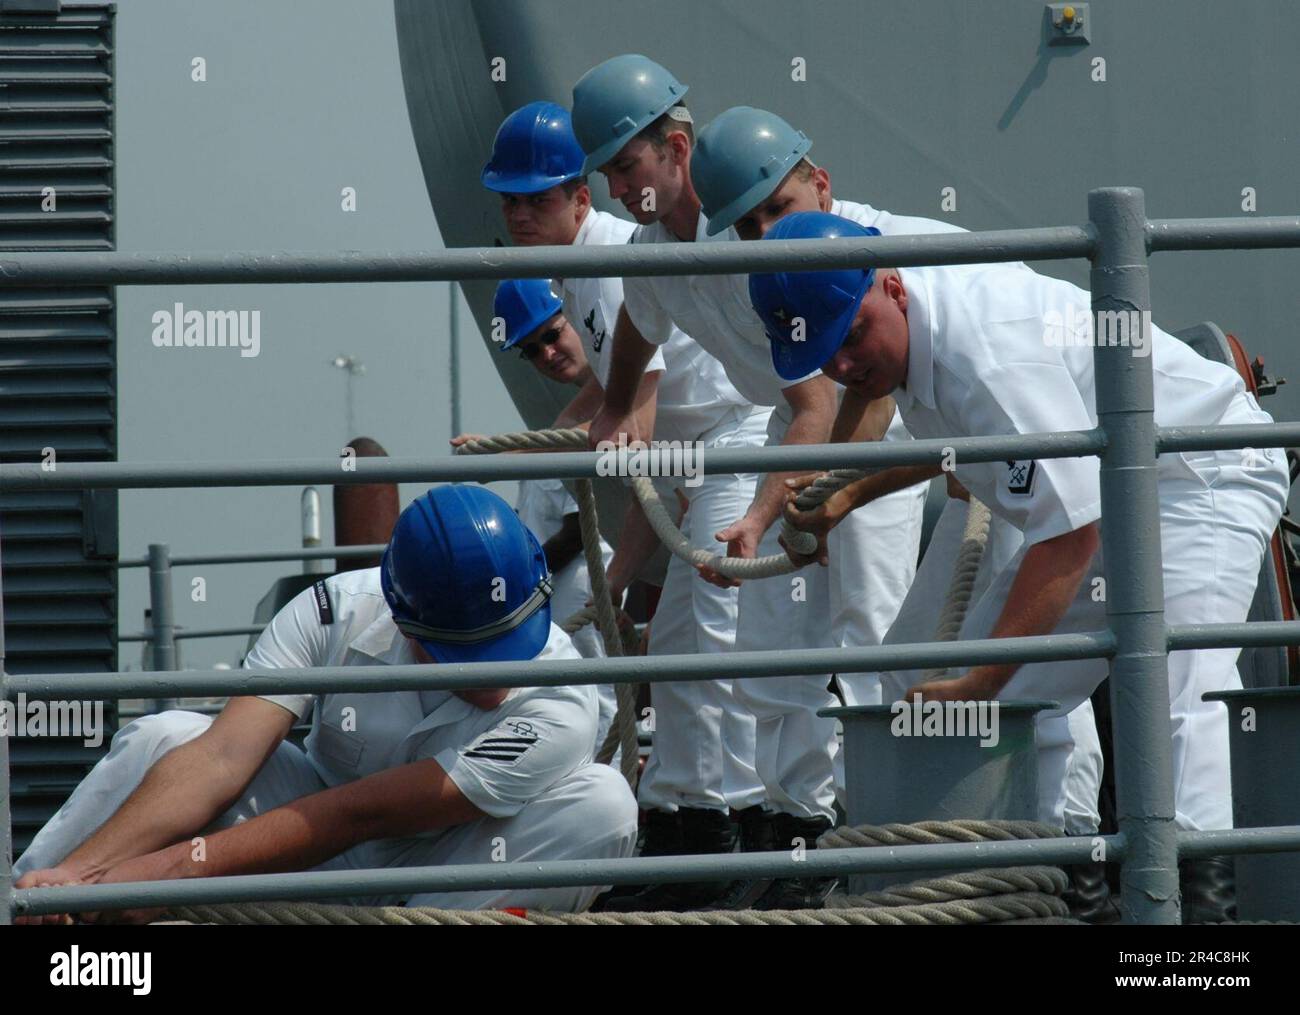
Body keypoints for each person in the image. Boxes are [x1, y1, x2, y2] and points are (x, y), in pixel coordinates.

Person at [750, 210, 1289, 922]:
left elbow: (1070, 532)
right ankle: (1051, 900)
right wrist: (851, 489)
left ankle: (1200, 933)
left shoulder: (984, 348)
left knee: (1174, 693)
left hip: (1199, 471)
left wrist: (979, 675)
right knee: (997, 715)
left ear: (892, 287)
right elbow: (965, 438)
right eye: (823, 354)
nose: (844, 366)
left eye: (850, 337)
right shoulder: (913, 336)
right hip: (1110, 494)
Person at [571, 58, 934, 907]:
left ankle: (876, 833)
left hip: (883, 415)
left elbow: (825, 400)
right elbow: (636, 318)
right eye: (609, 171)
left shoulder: (760, 247)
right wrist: (618, 405)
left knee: (867, 627)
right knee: (774, 642)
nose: (620, 186)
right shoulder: (663, 250)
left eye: (628, 164)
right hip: (801, 428)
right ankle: (794, 830)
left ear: (678, 149)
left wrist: (765, 515)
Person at [14, 486, 638, 923]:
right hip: (309, 822)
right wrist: (85, 873)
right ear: (406, 623)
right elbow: (223, 757)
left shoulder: (562, 693)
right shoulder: (334, 611)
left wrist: (157, 877)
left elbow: (359, 815)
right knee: (169, 734)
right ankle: (31, 905)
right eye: (468, 654)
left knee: (604, 807)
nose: (499, 673)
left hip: (454, 863)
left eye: (509, 644)